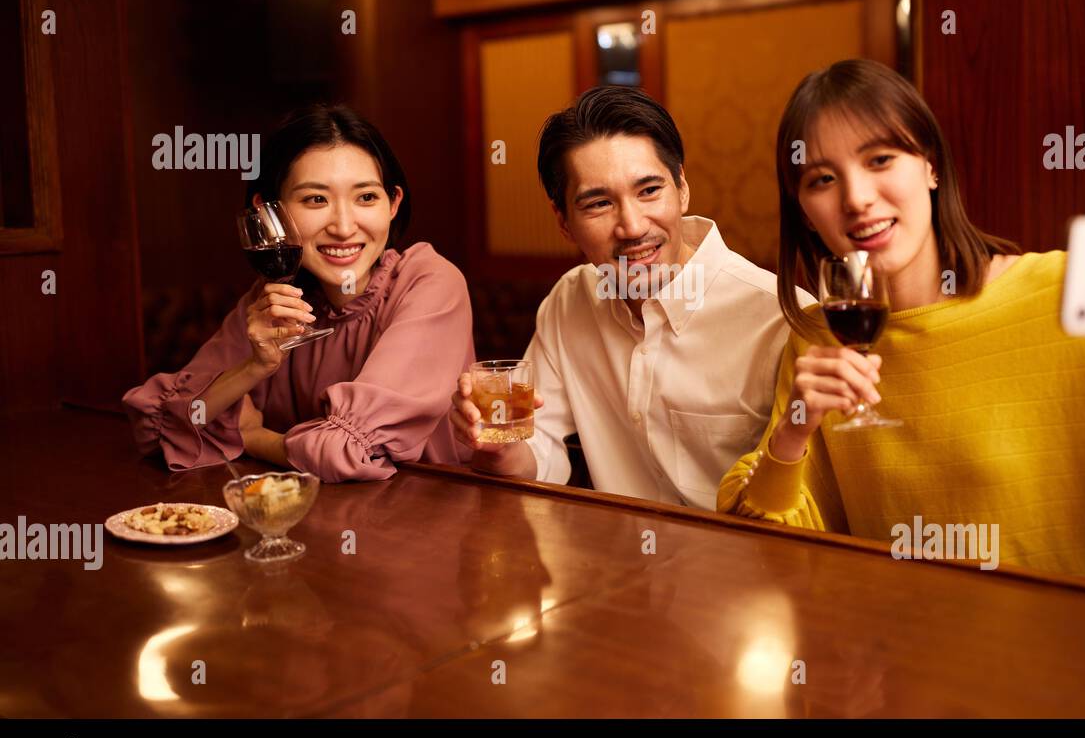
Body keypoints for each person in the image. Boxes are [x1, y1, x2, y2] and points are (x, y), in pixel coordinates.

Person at [720, 58, 1085, 590]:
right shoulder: (821, 338)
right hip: (913, 676)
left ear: (930, 166)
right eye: (822, 179)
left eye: (879, 160)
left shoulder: (1071, 292)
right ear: (804, 209)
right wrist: (793, 434)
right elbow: (771, 540)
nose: (857, 198)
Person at [450, 86, 812, 508]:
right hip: (611, 564)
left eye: (649, 191)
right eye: (599, 203)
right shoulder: (571, 301)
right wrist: (495, 445)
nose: (633, 226)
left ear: (682, 187)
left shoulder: (783, 319)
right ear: (563, 222)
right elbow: (540, 453)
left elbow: (803, 505)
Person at [123, 104, 474, 482]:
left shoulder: (431, 283)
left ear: (393, 203)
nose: (343, 226)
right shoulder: (276, 299)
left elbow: (347, 452)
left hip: (433, 520)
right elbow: (165, 428)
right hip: (319, 525)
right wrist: (253, 368)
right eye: (315, 199)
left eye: (366, 198)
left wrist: (256, 438)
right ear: (269, 212)